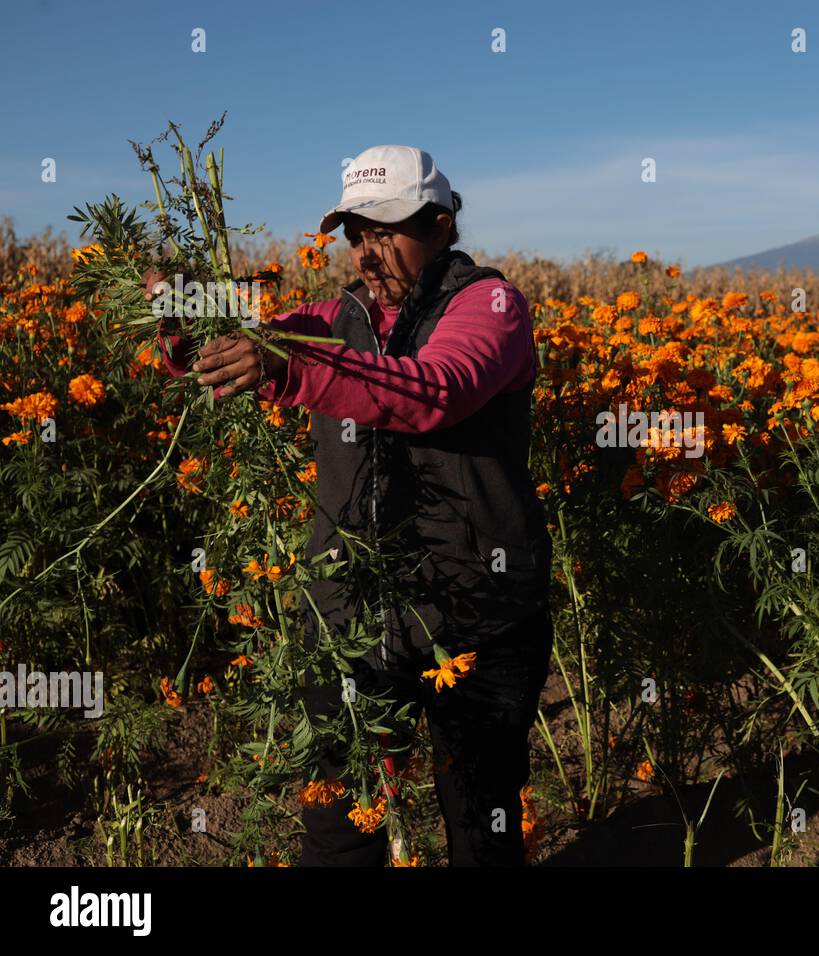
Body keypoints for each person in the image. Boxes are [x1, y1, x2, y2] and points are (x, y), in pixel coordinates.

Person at [150, 145, 554, 866]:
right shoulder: (337, 317)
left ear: (438, 224)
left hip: (475, 607)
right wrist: (181, 315)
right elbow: (234, 346)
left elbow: (438, 389)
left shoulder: (489, 306)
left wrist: (291, 362)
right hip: (352, 612)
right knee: (338, 826)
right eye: (356, 236)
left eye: (385, 231)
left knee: (480, 816)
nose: (368, 254)